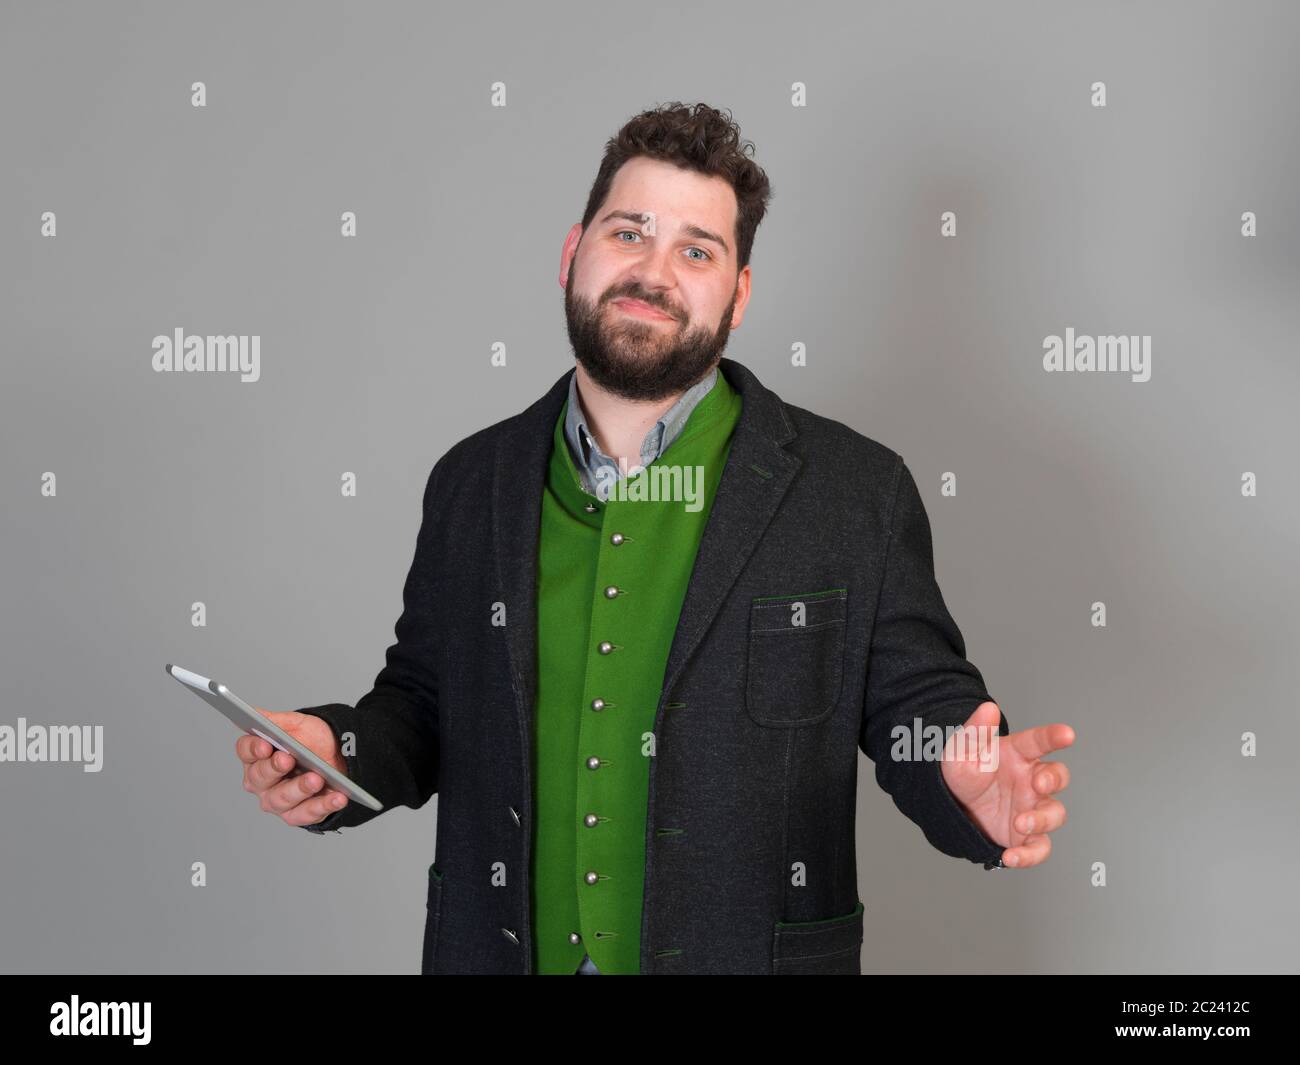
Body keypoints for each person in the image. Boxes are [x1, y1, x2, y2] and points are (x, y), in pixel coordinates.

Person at [236, 102, 1075, 975]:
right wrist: (338, 755)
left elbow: (919, 709)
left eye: (696, 250)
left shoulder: (851, 492)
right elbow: (424, 705)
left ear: (739, 293)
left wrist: (966, 783)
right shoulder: (471, 482)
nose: (653, 271)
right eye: (628, 232)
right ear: (573, 253)